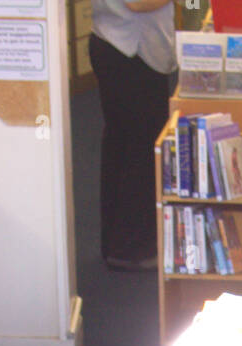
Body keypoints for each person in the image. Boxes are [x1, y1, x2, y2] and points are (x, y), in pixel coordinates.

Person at [89, 0, 177, 270]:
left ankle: (118, 245)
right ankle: (131, 249)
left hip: (128, 47)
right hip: (129, 52)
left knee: (123, 145)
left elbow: (192, 7)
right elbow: (138, 3)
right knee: (140, 149)